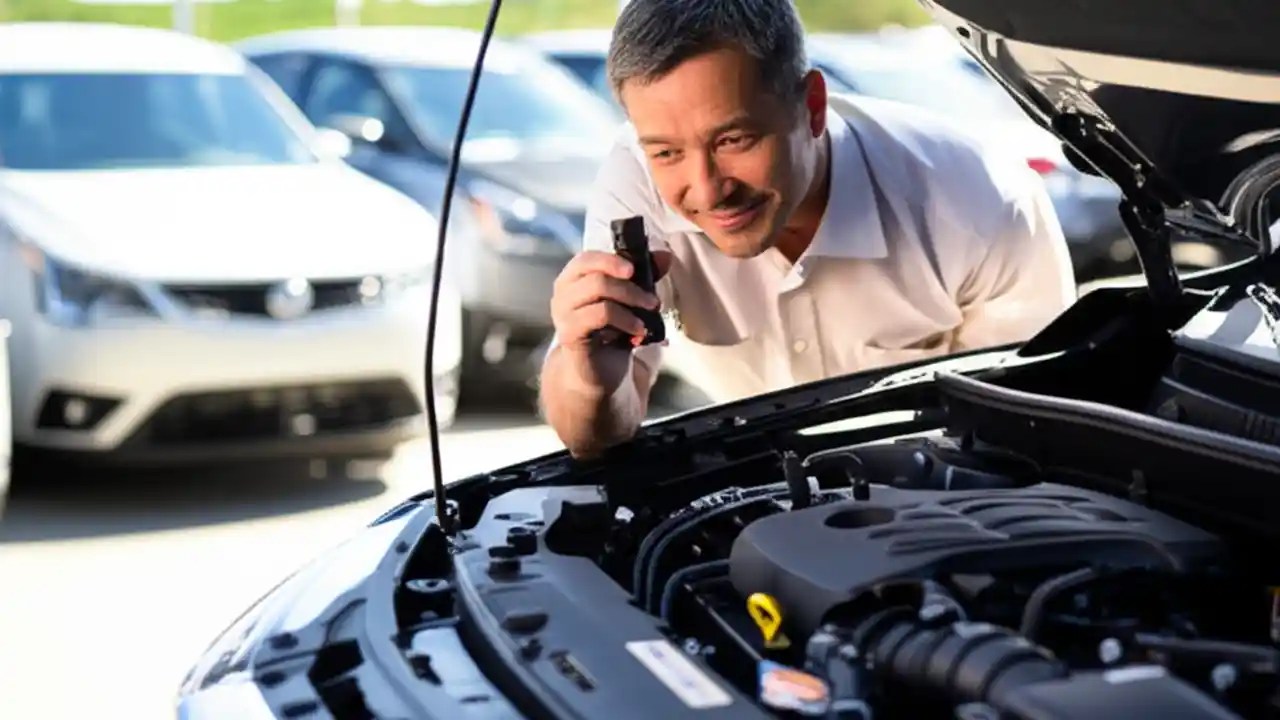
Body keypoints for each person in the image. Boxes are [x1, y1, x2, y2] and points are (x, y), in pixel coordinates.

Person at [539, 0, 1077, 459]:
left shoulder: (979, 199)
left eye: (734, 140)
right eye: (667, 152)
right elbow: (600, 434)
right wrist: (589, 378)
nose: (704, 191)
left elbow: (1025, 431)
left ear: (812, 106)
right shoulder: (636, 185)